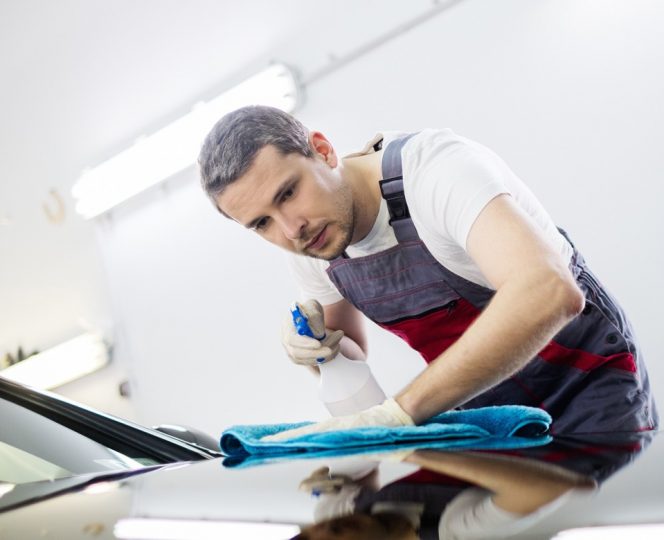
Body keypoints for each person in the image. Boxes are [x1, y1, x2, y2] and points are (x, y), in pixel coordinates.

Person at [198, 105, 657, 437]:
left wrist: (401, 412)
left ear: (322, 151)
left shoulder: (435, 171)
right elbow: (350, 350)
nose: (290, 229)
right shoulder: (308, 241)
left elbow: (549, 292)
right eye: (261, 223)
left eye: (288, 193)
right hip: (487, 412)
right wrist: (321, 352)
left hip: (590, 387)